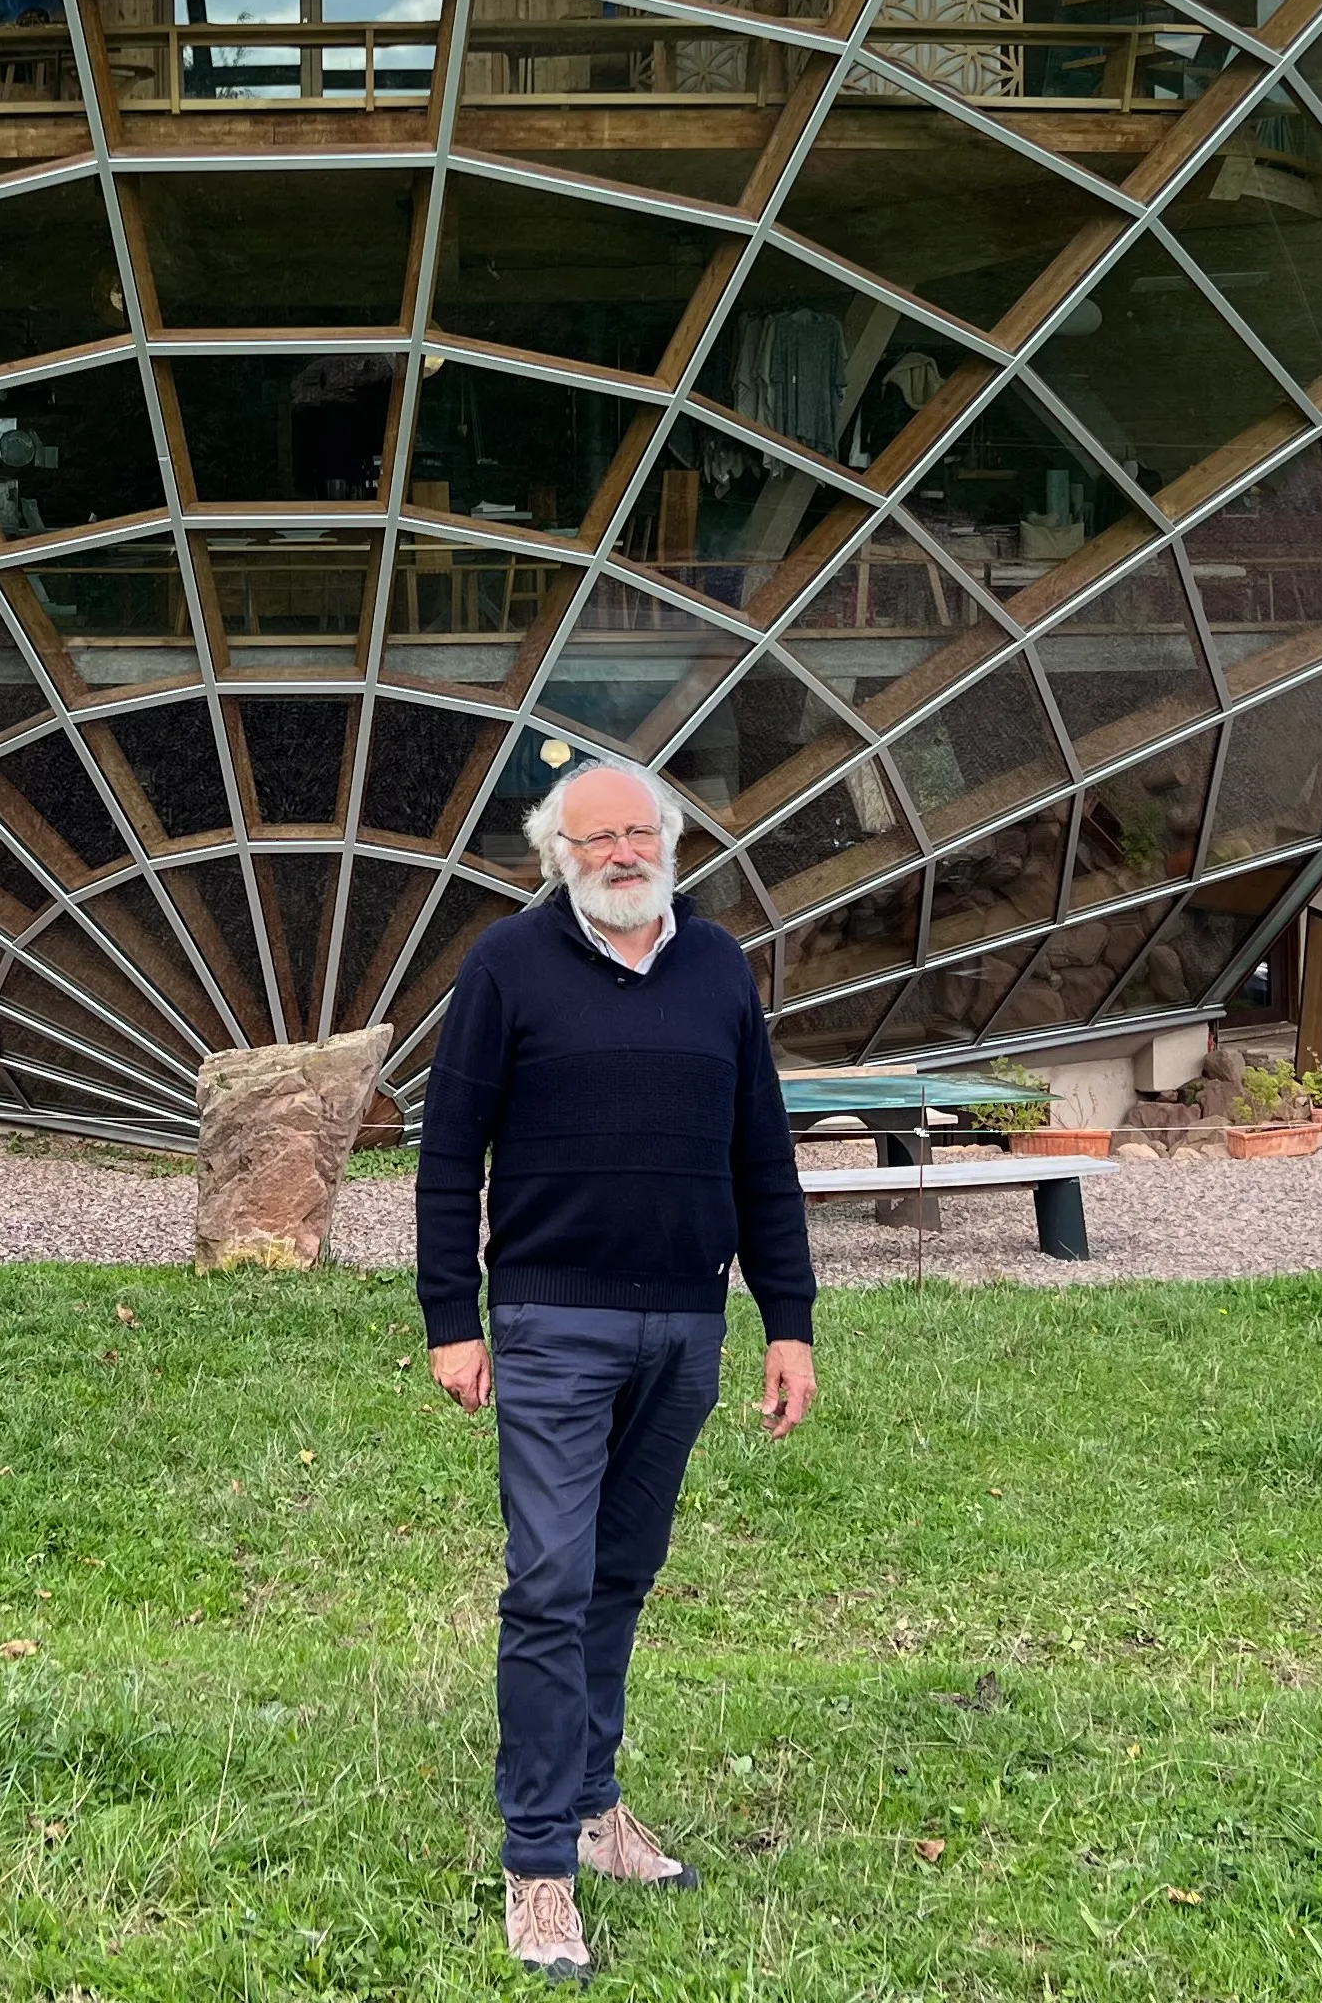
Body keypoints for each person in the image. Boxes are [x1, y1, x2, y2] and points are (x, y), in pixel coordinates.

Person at [415, 754, 816, 1980]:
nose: (623, 854)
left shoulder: (718, 966)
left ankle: (594, 1804)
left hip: (686, 1328)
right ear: (557, 856)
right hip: (552, 1323)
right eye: (595, 840)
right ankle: (538, 1863)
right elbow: (448, 1156)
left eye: (638, 833)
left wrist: (788, 1320)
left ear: (671, 842)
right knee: (550, 1579)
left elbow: (762, 1154)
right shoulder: (507, 966)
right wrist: (451, 1318)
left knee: (621, 1573)